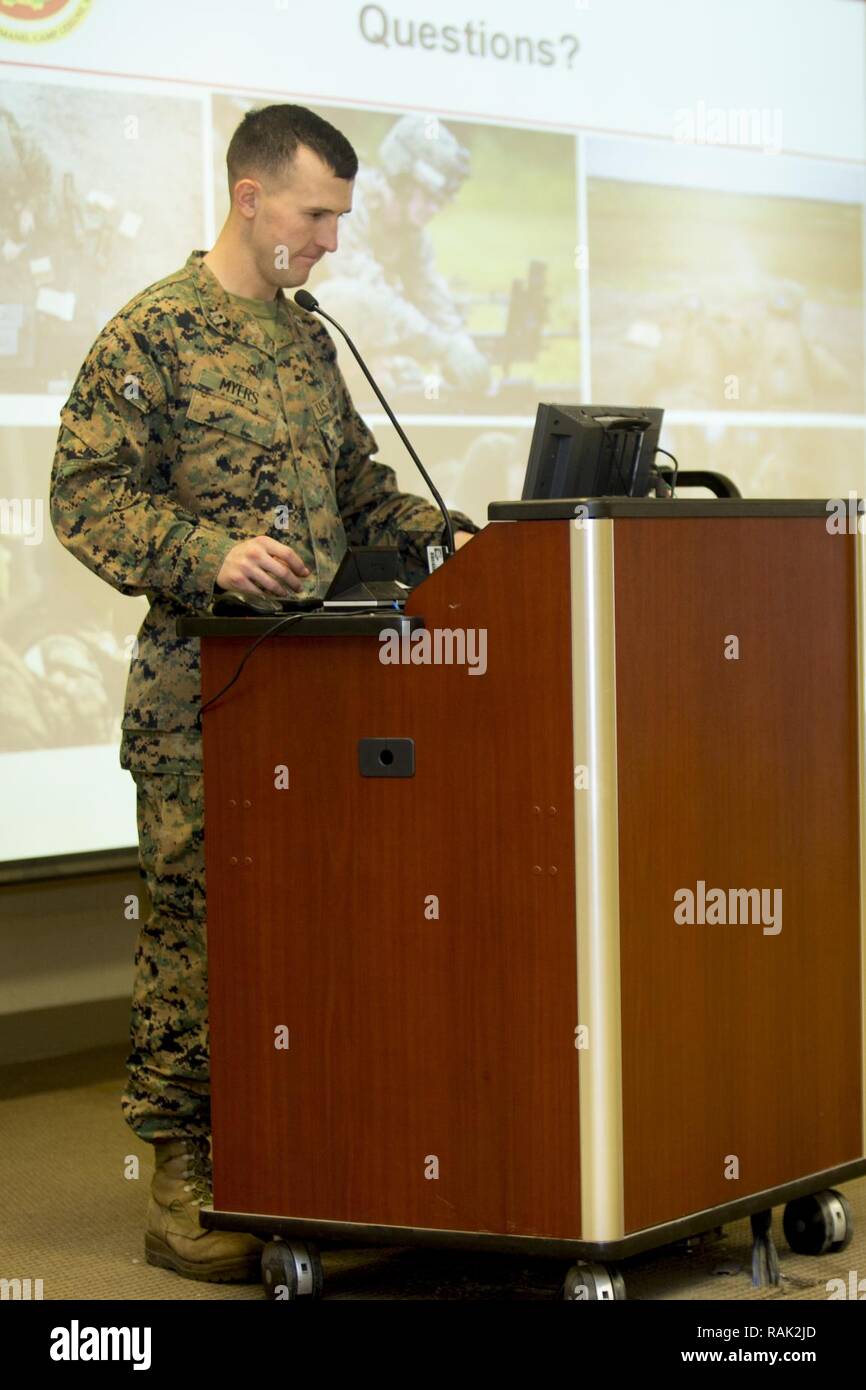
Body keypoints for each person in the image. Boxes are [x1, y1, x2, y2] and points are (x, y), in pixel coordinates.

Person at [49, 103, 479, 1284]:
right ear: (250, 197)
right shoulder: (155, 333)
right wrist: (211, 555)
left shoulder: (302, 341)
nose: (333, 238)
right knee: (195, 934)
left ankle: (301, 1148)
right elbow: (83, 497)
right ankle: (184, 1172)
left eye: (340, 214)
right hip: (201, 699)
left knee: (313, 929)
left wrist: (468, 539)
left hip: (319, 701)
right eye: (316, 213)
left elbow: (358, 489)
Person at [321, 114, 491, 396]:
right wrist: (444, 348)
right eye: (427, 196)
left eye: (440, 201)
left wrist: (464, 347)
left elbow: (432, 294)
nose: (434, 209)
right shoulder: (349, 205)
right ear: (402, 180)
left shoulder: (411, 234)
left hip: (353, 340)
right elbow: (370, 294)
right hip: (303, 332)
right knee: (351, 297)